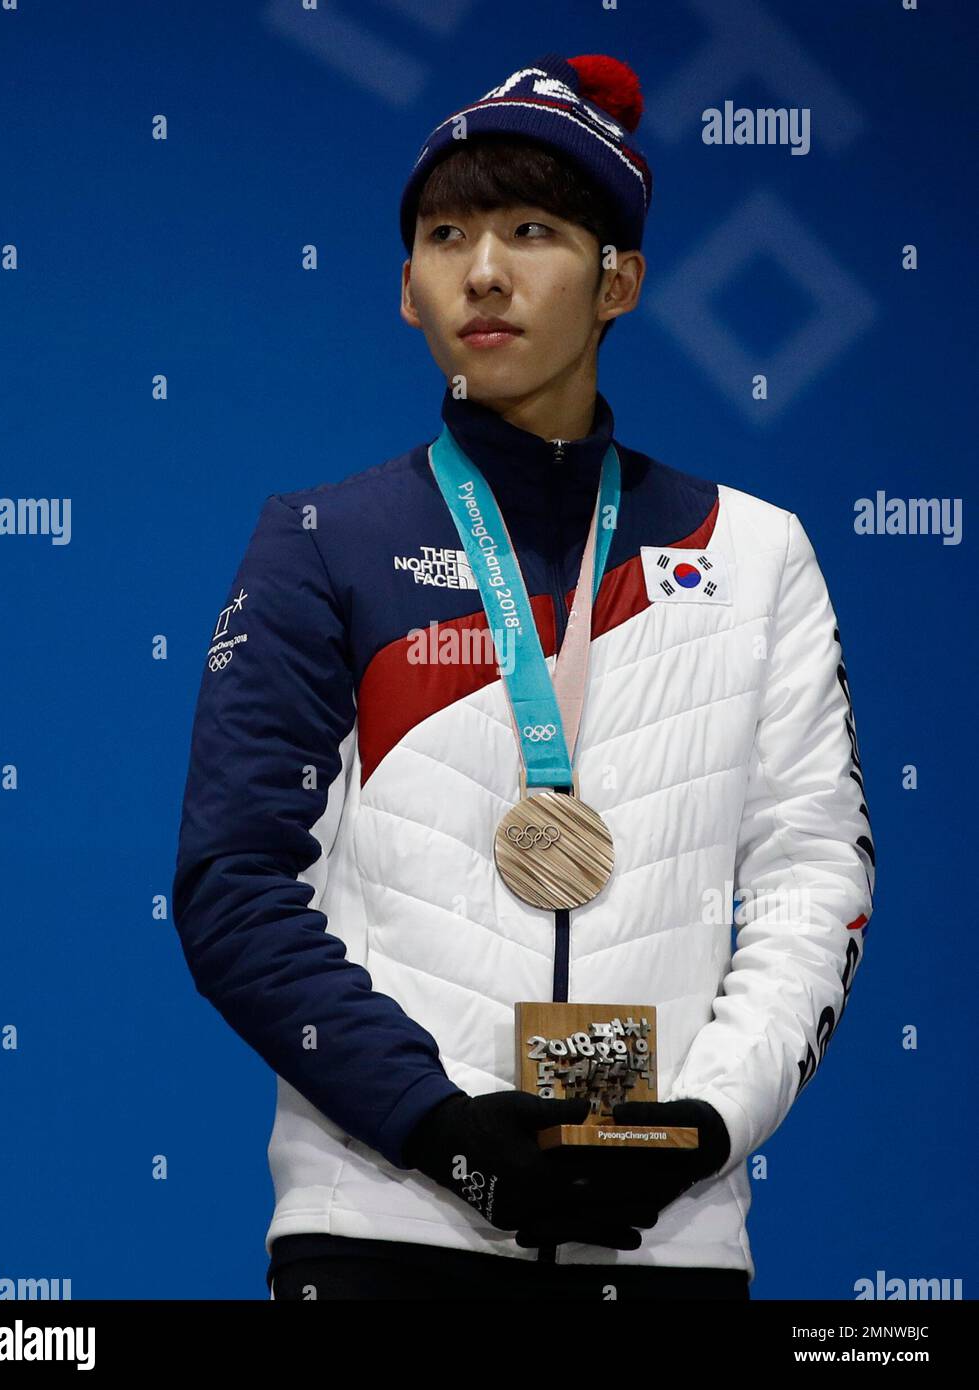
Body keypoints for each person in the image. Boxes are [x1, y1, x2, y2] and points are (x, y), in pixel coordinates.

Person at [171, 52, 876, 1302]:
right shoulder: (325, 542)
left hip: (666, 1235)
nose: (482, 271)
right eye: (446, 235)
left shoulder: (756, 552)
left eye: (532, 230)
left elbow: (812, 875)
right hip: (383, 1224)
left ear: (622, 282)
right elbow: (234, 887)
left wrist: (703, 1124)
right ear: (405, 290)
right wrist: (442, 1129)